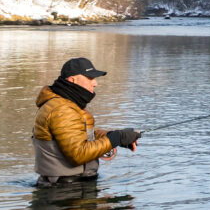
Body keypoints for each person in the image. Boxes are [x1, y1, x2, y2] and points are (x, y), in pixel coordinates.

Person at [32, 57, 142, 186]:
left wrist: (114, 137)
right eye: (90, 78)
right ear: (72, 80)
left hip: (74, 188)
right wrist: (115, 139)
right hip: (65, 193)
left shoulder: (65, 103)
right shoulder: (62, 109)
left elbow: (77, 132)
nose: (95, 83)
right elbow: (78, 154)